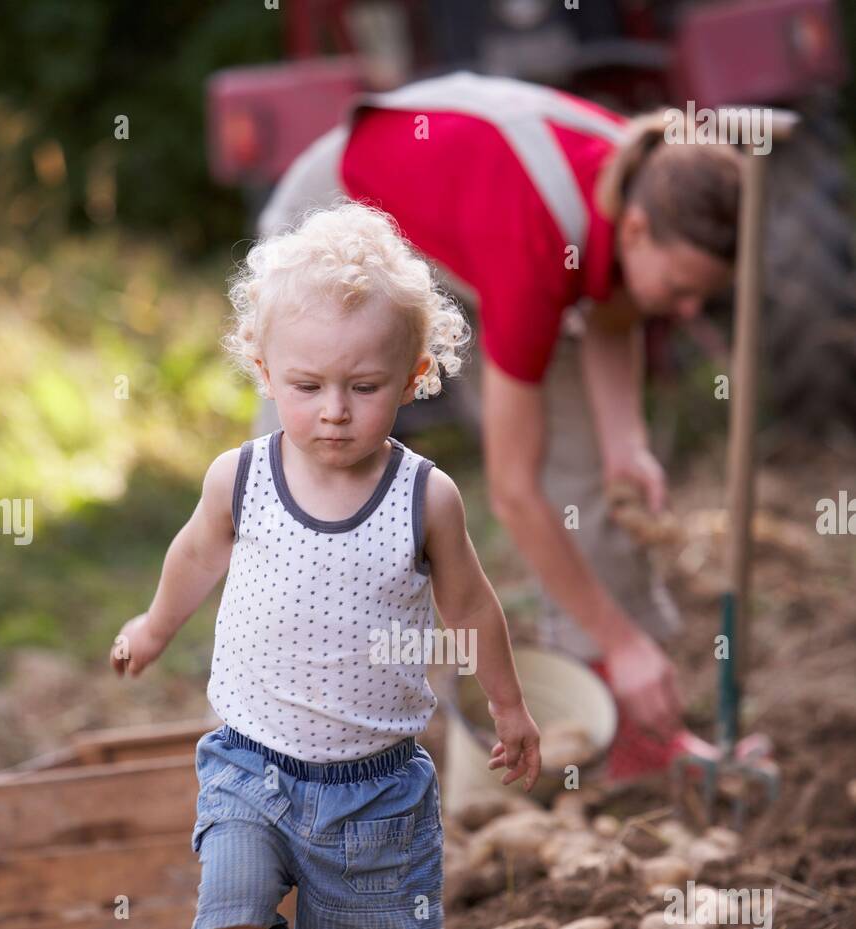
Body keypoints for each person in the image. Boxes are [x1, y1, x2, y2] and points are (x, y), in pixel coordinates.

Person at [109, 200, 541, 929]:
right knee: (227, 909)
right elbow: (191, 556)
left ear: (414, 377)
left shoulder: (424, 497)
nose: (334, 411)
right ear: (263, 369)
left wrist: (509, 708)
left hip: (375, 784)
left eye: (364, 385)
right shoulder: (241, 477)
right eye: (306, 386)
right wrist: (152, 625)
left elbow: (472, 605)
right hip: (252, 757)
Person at [255, 72, 743, 781]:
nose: (692, 312)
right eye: (682, 290)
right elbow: (514, 493)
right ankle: (289, 746)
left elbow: (612, 297)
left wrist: (624, 442)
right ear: (637, 230)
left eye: (703, 294)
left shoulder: (648, 180)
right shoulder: (537, 240)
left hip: (475, 225)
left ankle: (619, 728)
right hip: (345, 213)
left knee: (592, 482)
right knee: (316, 480)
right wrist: (623, 638)